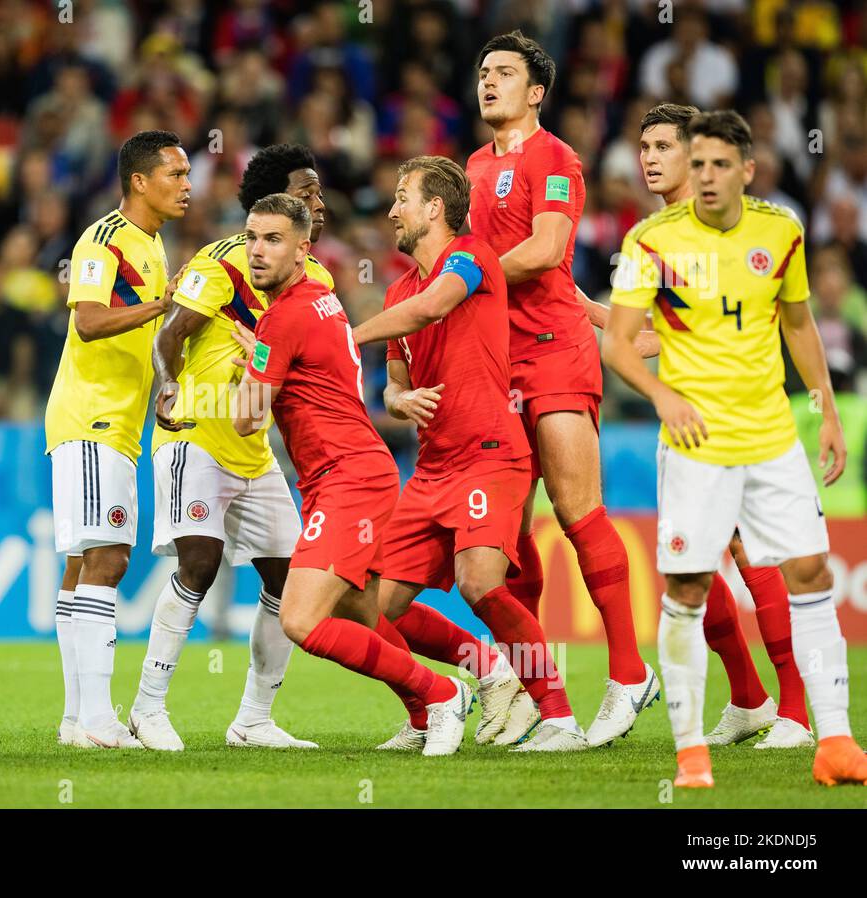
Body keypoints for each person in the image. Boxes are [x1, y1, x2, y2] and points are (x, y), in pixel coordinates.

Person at [603, 110, 867, 788]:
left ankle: (833, 739)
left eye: (721, 164)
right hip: (695, 444)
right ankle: (692, 752)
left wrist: (827, 410)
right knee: (687, 586)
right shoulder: (650, 240)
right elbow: (621, 342)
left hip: (774, 437)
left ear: (747, 170)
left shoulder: (781, 231)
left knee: (808, 573)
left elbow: (800, 321)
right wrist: (663, 397)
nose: (708, 175)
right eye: (700, 163)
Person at [352, 156, 586, 752]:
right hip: (432, 469)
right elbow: (393, 382)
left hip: (490, 454)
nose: (392, 209)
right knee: (373, 606)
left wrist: (341, 335)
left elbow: (434, 307)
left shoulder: (473, 258)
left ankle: (558, 716)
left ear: (435, 208)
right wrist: (400, 402)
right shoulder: (399, 289)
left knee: (480, 582)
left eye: (403, 197)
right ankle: (453, 693)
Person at [465, 31, 655, 747]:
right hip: (495, 365)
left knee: (577, 514)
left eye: (505, 73)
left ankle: (629, 673)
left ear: (536, 91)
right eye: (484, 72)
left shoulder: (556, 158)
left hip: (553, 359)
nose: (489, 82)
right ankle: (530, 687)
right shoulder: (475, 166)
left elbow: (547, 252)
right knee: (506, 536)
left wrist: (463, 279)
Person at [232, 193, 472, 757]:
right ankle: (433, 707)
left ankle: (441, 694)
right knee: (362, 613)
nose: (257, 251)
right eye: (250, 237)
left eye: (273, 240)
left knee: (301, 619)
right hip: (349, 473)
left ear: (302, 249)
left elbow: (247, 420)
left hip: (348, 478)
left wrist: (254, 363)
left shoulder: (283, 316)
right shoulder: (322, 300)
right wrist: (267, 355)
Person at [130, 144, 329, 751]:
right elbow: (170, 336)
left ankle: (253, 719)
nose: (319, 203)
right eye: (308, 191)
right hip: (195, 436)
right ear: (276, 199)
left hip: (252, 445)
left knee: (287, 577)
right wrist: (167, 387)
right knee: (200, 561)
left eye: (318, 193)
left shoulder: (317, 278)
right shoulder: (221, 260)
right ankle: (147, 709)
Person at [45, 130, 190, 749]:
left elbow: (142, 335)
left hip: (121, 423)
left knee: (85, 562)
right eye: (176, 174)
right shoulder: (104, 239)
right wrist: (164, 304)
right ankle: (100, 716)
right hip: (91, 418)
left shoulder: (153, 246)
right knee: (108, 558)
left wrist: (165, 383)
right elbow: (89, 319)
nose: (187, 185)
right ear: (139, 181)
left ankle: (79, 719)